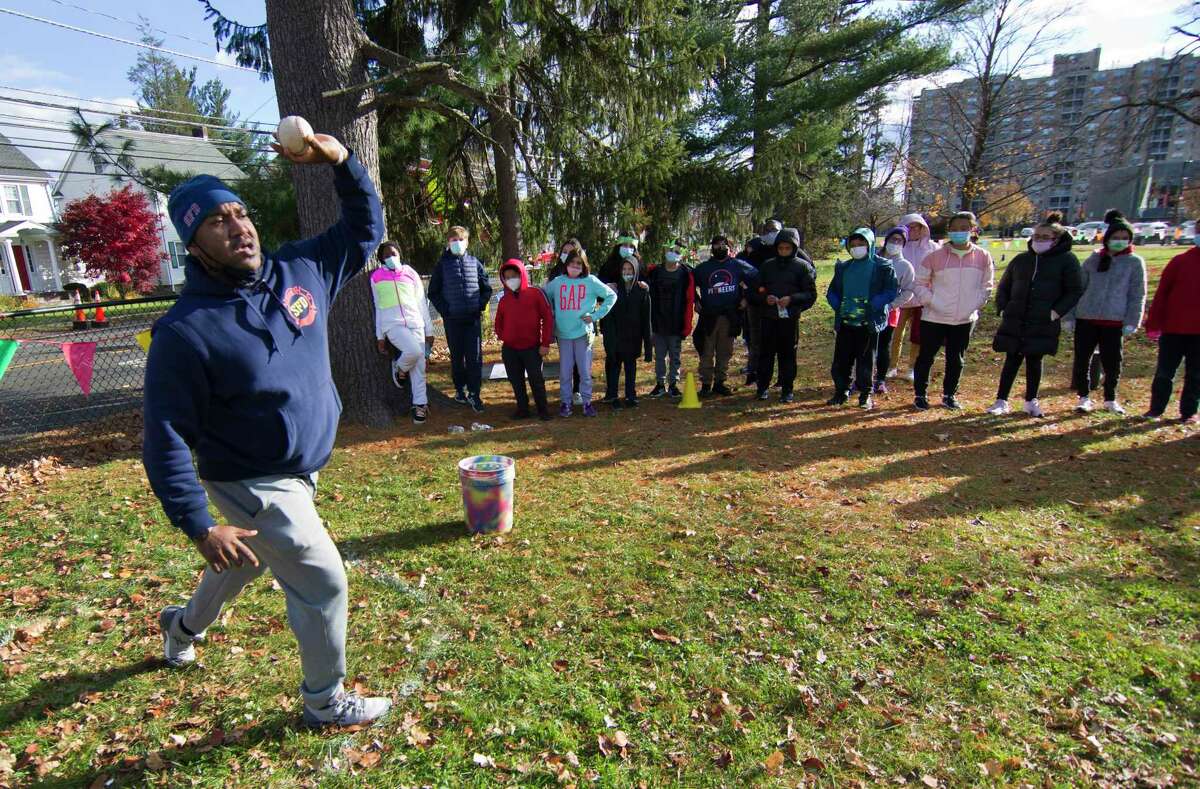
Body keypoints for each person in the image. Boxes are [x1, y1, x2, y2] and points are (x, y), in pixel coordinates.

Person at [144, 131, 390, 727]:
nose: (238, 227)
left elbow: (364, 230)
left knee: (244, 562)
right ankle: (324, 700)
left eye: (240, 213)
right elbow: (165, 434)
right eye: (217, 223)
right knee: (323, 579)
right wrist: (199, 524)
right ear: (194, 245)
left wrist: (342, 161)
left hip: (297, 473)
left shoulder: (300, 271)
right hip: (252, 479)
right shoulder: (185, 331)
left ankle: (181, 626)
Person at [985, 212, 1083, 417]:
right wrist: (1003, 307)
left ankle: (1031, 400)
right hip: (1016, 317)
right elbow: (1005, 285)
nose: (1039, 241)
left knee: (1034, 360)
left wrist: (1055, 312)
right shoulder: (1021, 260)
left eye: (1045, 237)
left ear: (1056, 240)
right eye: (1036, 237)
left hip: (1043, 319)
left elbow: (1074, 290)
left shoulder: (1067, 260)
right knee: (1012, 358)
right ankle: (1001, 400)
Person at [1064, 210, 1146, 415]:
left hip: (1114, 320)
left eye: (1124, 238)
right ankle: (1084, 397)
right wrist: (1069, 315)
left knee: (1112, 362)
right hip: (1087, 317)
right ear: (1107, 238)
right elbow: (1078, 288)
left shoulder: (1135, 263)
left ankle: (1110, 398)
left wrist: (1132, 320)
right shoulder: (1093, 259)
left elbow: (1138, 294)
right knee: (1083, 359)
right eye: (1115, 238)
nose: (1119, 241)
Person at [911, 211, 995, 410]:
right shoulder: (935, 256)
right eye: (954, 229)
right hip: (934, 317)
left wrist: (975, 304)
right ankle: (920, 394)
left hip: (964, 319)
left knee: (956, 359)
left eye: (964, 228)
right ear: (949, 231)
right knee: (926, 357)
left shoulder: (983, 256)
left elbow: (987, 286)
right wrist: (931, 301)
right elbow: (919, 283)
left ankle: (949, 395)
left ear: (973, 230)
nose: (959, 232)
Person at [826, 228, 899, 410]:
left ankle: (865, 394)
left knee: (865, 362)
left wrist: (874, 303)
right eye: (854, 245)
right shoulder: (844, 267)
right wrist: (839, 305)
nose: (857, 248)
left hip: (868, 323)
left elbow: (891, 290)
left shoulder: (883, 266)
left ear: (870, 244)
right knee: (841, 360)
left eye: (861, 244)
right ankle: (841, 391)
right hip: (845, 322)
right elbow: (832, 291)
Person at [427, 225, 492, 412]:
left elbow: (486, 287)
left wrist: (479, 305)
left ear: (467, 242)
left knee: (475, 358)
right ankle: (460, 389)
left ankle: (475, 393)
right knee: (457, 358)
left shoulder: (475, 262)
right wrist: (446, 311)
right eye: (453, 240)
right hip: (452, 320)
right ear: (448, 242)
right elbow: (434, 292)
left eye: (460, 240)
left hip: (472, 319)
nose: (457, 243)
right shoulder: (442, 266)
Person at [370, 242, 434, 424]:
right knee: (414, 352)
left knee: (420, 367)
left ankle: (420, 405)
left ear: (399, 253)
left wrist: (428, 329)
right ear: (381, 259)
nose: (391, 257)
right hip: (393, 325)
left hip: (416, 323)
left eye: (393, 253)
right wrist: (380, 336)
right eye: (386, 255)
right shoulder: (376, 277)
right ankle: (399, 368)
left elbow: (422, 302)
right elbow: (378, 308)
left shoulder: (410, 273)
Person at [546, 251, 616, 416]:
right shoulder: (557, 282)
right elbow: (543, 297)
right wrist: (552, 313)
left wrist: (595, 316)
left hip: (583, 335)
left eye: (579, 264)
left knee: (584, 371)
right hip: (563, 335)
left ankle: (587, 402)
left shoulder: (590, 281)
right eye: (572, 263)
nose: (575, 266)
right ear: (566, 264)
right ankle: (566, 403)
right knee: (565, 372)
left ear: (584, 266)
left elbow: (611, 296)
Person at [753, 227, 817, 403]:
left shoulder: (802, 267)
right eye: (780, 248)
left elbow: (810, 294)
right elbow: (755, 291)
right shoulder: (767, 266)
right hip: (768, 317)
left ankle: (787, 389)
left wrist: (792, 299)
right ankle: (762, 387)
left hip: (790, 319)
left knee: (788, 354)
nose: (783, 252)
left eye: (787, 248)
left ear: (794, 248)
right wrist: (766, 298)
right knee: (765, 354)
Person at [1143, 228, 1200, 423]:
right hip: (1173, 329)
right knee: (1165, 372)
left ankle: (1189, 412)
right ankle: (1156, 409)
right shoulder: (1180, 261)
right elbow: (1162, 295)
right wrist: (1154, 323)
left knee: (1196, 375)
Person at [693, 233, 759, 397]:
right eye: (716, 245)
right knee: (706, 351)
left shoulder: (737, 265)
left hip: (730, 316)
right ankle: (706, 384)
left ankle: (720, 382)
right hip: (709, 316)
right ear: (712, 248)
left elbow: (757, 278)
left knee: (725, 351)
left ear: (728, 248)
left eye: (723, 245)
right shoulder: (703, 269)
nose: (719, 248)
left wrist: (746, 298)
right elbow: (687, 284)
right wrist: (696, 300)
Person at [495, 258, 554, 420]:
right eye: (507, 277)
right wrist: (504, 335)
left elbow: (548, 318)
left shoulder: (535, 294)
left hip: (532, 347)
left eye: (514, 275)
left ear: (522, 274)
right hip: (510, 349)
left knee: (536, 380)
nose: (511, 279)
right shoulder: (504, 300)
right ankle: (523, 409)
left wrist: (545, 343)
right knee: (516, 381)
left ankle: (543, 410)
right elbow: (498, 322)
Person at [645, 238, 695, 398]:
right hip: (658, 322)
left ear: (682, 256)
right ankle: (660, 384)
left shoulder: (685, 274)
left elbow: (690, 299)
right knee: (659, 356)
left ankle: (673, 383)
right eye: (670, 250)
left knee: (675, 355)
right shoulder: (655, 272)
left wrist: (686, 325)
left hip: (676, 322)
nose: (673, 254)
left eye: (677, 252)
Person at [601, 255, 653, 408]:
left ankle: (631, 394)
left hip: (633, 339)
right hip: (616, 339)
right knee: (614, 367)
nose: (627, 272)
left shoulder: (642, 292)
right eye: (624, 269)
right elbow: (607, 318)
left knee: (630, 367)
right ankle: (613, 395)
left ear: (636, 270)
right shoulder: (614, 291)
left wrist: (648, 347)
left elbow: (646, 321)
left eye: (630, 269)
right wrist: (608, 340)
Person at [895, 213, 941, 380]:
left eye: (916, 227)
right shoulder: (899, 246)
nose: (913, 230)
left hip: (922, 299)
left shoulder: (933, 248)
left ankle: (911, 368)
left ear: (923, 228)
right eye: (909, 227)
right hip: (901, 298)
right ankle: (892, 366)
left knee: (918, 336)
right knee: (896, 333)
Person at [741, 220, 784, 386]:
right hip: (756, 303)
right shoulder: (754, 248)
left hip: (781, 303)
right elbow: (739, 267)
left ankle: (782, 378)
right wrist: (746, 290)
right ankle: (753, 373)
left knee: (782, 341)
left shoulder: (786, 246)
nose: (771, 232)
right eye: (768, 230)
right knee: (755, 340)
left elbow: (807, 269)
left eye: (774, 230)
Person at [545, 238, 587, 403]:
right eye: (564, 251)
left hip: (578, 324)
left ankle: (578, 390)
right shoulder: (556, 273)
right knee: (566, 359)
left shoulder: (583, 274)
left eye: (570, 252)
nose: (566, 255)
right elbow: (548, 295)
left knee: (579, 359)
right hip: (560, 322)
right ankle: (566, 393)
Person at [874, 226, 915, 394]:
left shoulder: (905, 266)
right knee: (867, 346)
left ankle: (881, 380)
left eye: (899, 241)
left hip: (888, 313)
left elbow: (909, 291)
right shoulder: (873, 259)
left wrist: (891, 305)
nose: (895, 243)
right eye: (893, 239)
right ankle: (863, 377)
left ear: (904, 244)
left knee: (883, 345)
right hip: (868, 310)